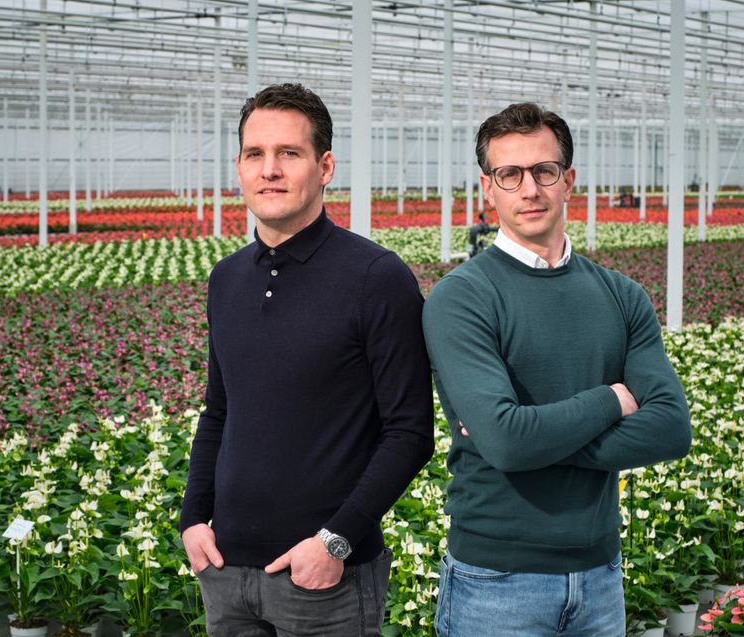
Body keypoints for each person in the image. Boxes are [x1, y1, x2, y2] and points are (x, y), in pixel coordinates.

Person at [422, 102, 692, 637]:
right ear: (488, 188)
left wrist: (526, 437)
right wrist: (609, 400)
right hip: (496, 583)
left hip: (600, 578)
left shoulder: (622, 296)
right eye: (510, 174)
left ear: (568, 180)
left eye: (544, 171)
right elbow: (507, 443)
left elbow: (671, 429)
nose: (530, 189)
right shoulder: (462, 298)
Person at [180, 83, 434, 637]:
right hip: (225, 571)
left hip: (325, 581)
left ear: (325, 167)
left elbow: (410, 433)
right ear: (239, 167)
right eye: (255, 154)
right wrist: (192, 519)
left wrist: (335, 541)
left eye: (289, 153)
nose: (269, 169)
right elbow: (219, 411)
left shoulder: (376, 278)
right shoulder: (226, 279)